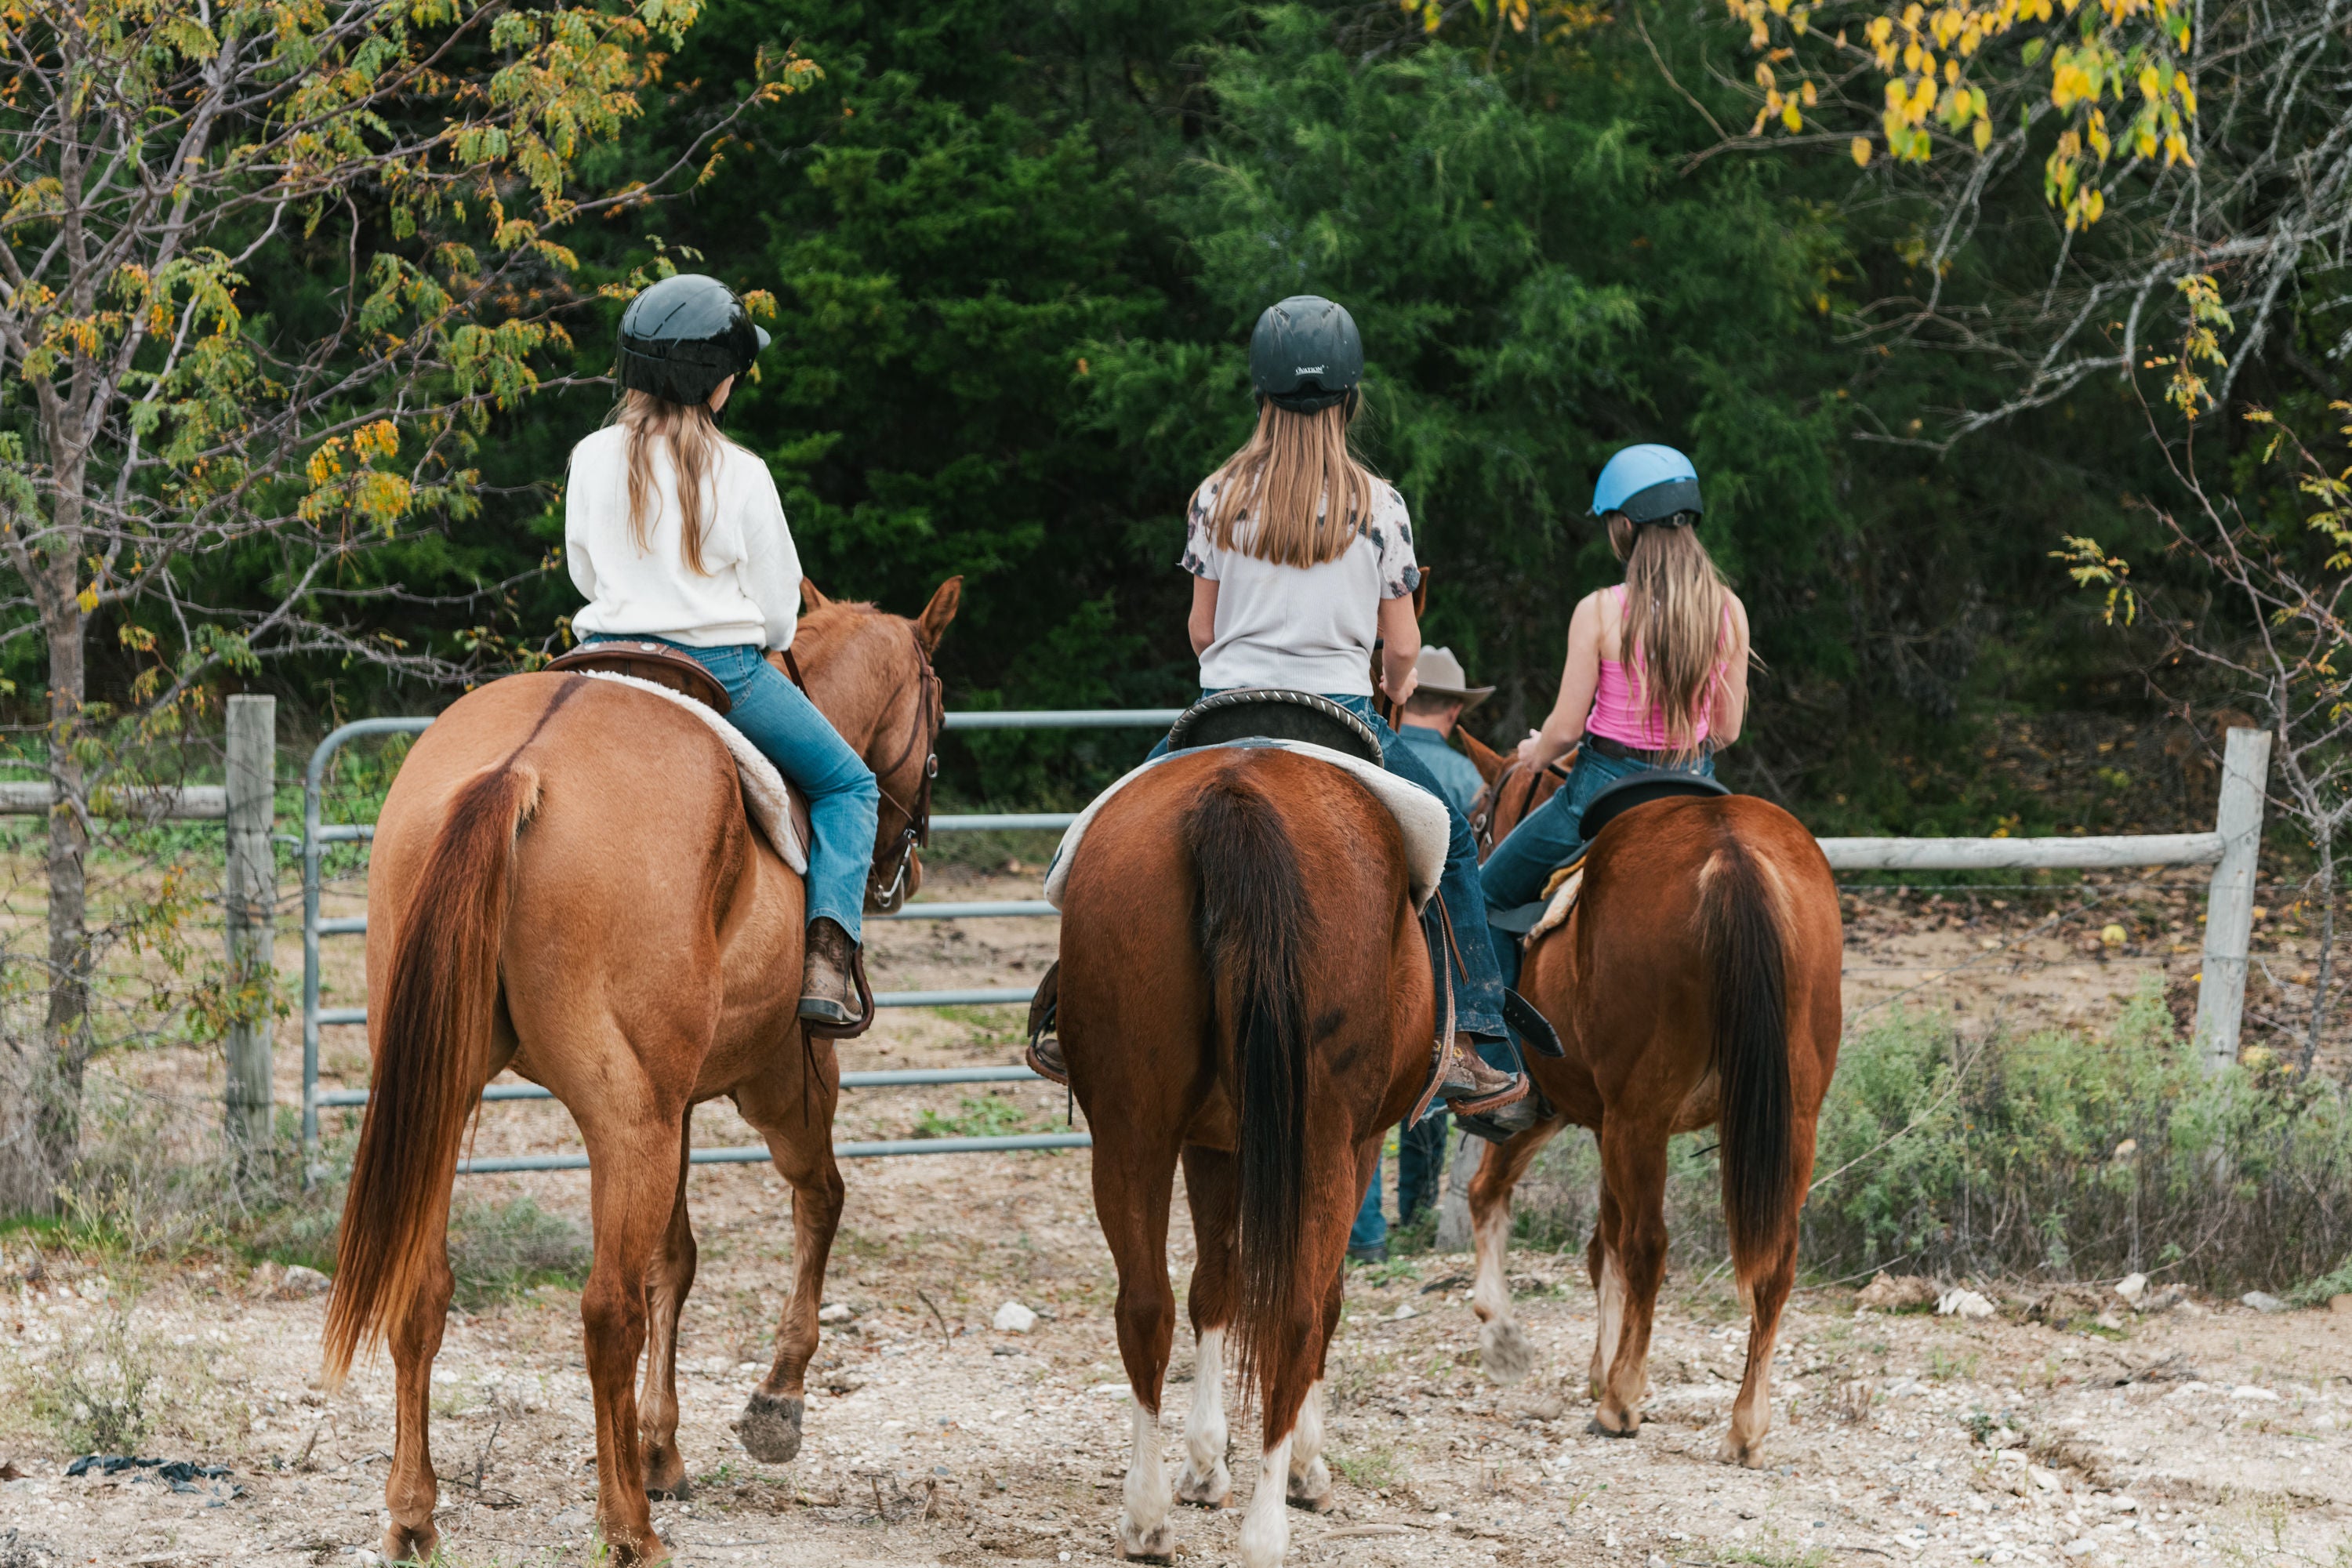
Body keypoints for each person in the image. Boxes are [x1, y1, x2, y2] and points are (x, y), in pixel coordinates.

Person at [1142, 294, 1537, 1140]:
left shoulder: (1215, 495)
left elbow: (1202, 629)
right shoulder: (1379, 505)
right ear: (1351, 396)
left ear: (1260, 392)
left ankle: (1073, 1005)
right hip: (1344, 714)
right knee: (1457, 844)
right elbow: (1401, 646)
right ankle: (1475, 1036)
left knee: (1107, 832)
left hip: (1224, 710)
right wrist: (1391, 679)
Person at [565, 272, 880, 1025]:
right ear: (716, 383)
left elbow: (583, 571)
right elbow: (778, 613)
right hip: (721, 673)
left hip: (603, 663)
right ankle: (826, 965)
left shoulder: (590, 454)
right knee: (851, 789)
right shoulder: (742, 473)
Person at [1481, 444, 1751, 935]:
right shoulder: (1729, 609)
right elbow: (1727, 730)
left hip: (1602, 792)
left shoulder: (1600, 610)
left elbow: (1563, 732)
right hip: (1695, 786)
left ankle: (1489, 1014)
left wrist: (1536, 753)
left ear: (1625, 525)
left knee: (1481, 897)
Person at [1350, 645, 1494, 1261]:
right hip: (1437, 945)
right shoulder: (1467, 778)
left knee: (1353, 1082)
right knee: (1434, 1062)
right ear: (1457, 709)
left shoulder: (1366, 759)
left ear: (1398, 693)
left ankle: (1365, 1233)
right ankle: (1417, 1209)